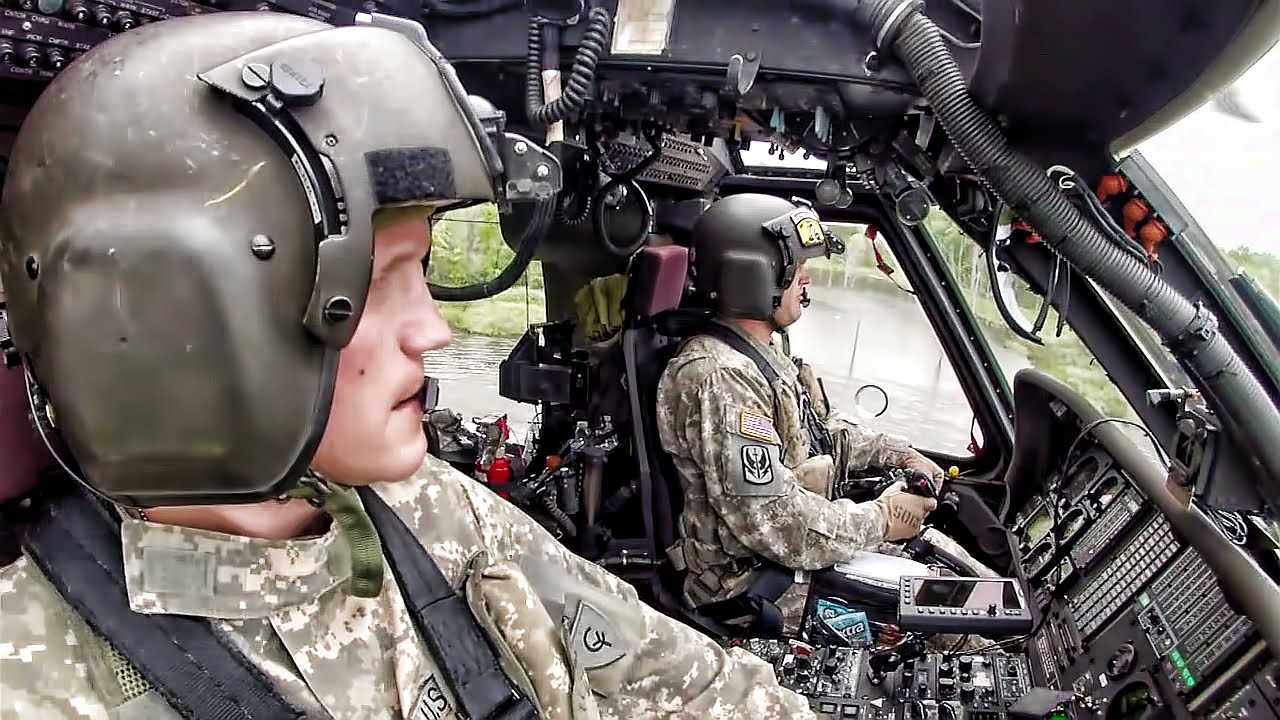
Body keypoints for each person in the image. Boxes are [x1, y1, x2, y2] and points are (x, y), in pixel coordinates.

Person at [0, 14, 818, 719]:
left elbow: (698, 687)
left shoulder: (431, 511)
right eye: (373, 282)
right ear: (187, 312)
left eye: (420, 274)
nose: (431, 332)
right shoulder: (32, 673)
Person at [655, 194, 1000, 641]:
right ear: (754, 275)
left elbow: (822, 430)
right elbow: (774, 523)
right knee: (953, 628)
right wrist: (880, 520)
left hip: (796, 552)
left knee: (977, 593)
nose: (806, 277)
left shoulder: (763, 356)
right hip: (751, 584)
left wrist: (901, 454)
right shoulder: (719, 377)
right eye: (794, 267)